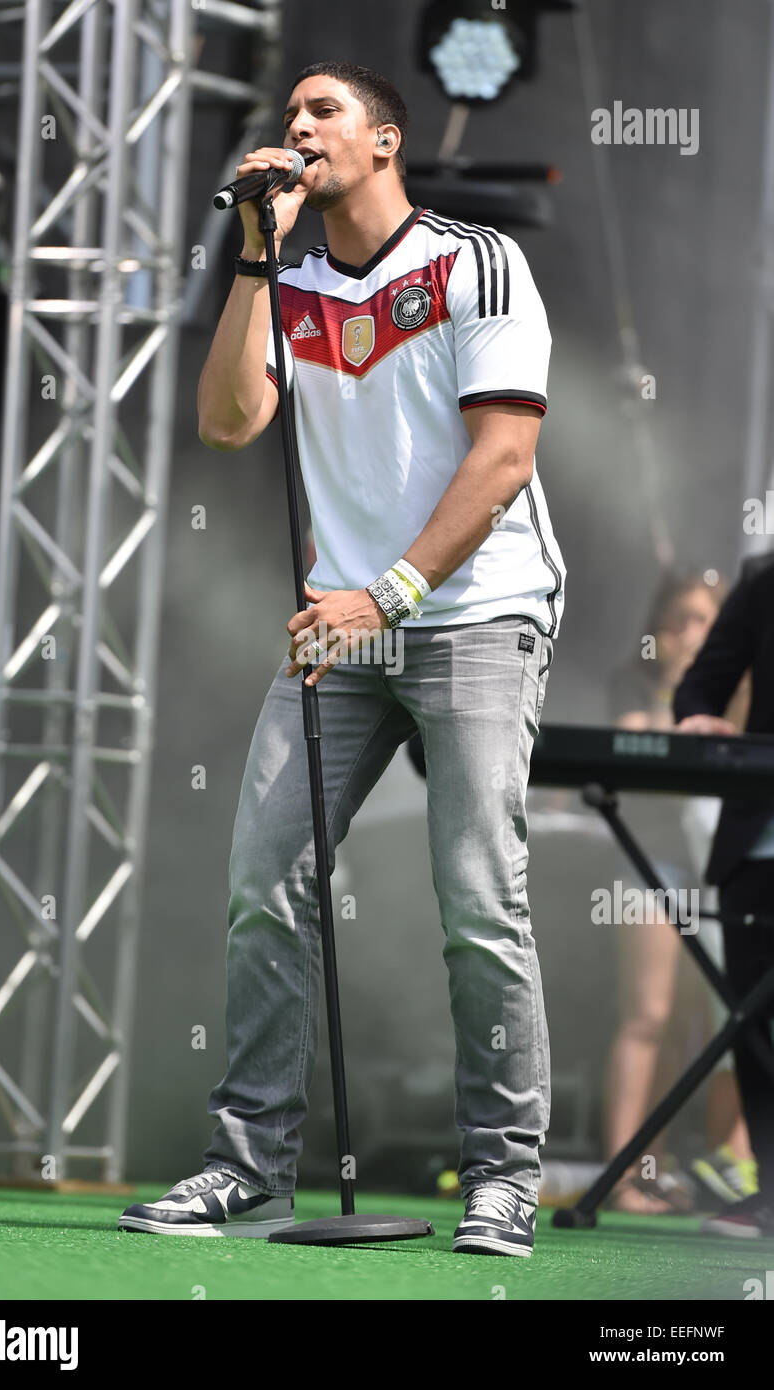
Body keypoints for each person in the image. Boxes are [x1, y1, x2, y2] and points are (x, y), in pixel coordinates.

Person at [119, 60, 565, 1257]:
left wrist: (391, 591)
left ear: (384, 140)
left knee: (478, 896)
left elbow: (503, 459)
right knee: (264, 878)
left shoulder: (477, 263)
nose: (295, 129)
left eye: (320, 113)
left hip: (472, 609)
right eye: (287, 117)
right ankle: (247, 1161)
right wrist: (256, 259)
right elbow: (227, 422)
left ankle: (503, 1177)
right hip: (345, 623)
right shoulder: (294, 278)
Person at [602, 573, 755, 1214]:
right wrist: (681, 686)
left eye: (705, 621)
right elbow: (641, 741)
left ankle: (699, 1172)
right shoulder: (635, 685)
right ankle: (622, 1177)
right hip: (655, 865)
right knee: (649, 1017)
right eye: (679, 620)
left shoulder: (735, 686)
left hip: (716, 867)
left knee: (721, 1021)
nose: (690, 633)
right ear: (657, 630)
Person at [672, 550, 774, 1237]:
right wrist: (699, 717)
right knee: (754, 1022)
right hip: (759, 841)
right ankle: (770, 1190)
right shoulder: (764, 577)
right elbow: (700, 686)